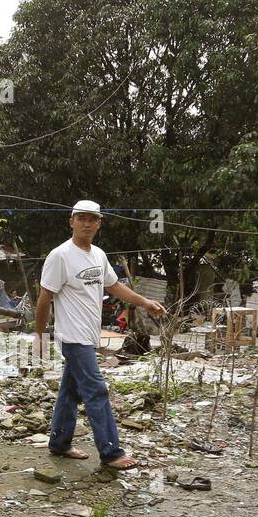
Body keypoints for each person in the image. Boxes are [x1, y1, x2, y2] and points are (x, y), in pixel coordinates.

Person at [34, 200, 166, 470]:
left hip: (88, 335)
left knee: (70, 392)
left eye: (92, 219)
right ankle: (111, 452)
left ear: (99, 223)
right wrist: (39, 334)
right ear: (71, 221)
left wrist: (145, 302)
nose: (86, 223)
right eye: (81, 218)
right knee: (96, 391)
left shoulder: (98, 255)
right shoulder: (60, 255)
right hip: (72, 337)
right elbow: (45, 295)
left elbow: (114, 286)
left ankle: (59, 443)